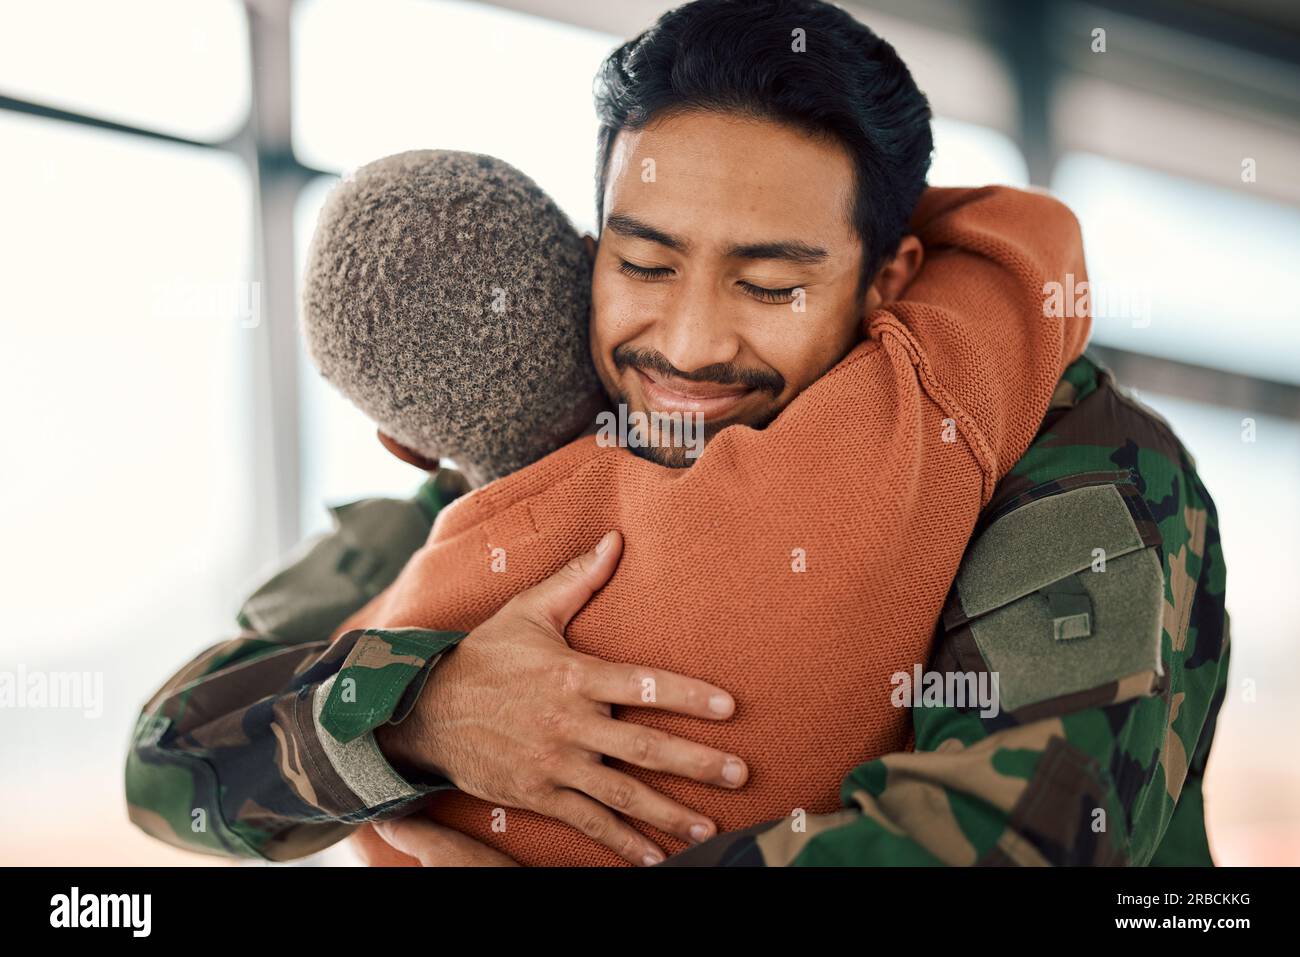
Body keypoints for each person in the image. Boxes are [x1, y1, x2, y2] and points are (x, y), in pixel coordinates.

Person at [125, 0, 1229, 866]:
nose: (688, 345)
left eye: (767, 284)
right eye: (644, 264)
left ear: (884, 278)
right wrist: (419, 717)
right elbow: (167, 765)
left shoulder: (1073, 466)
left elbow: (1019, 846)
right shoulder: (549, 458)